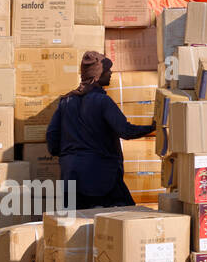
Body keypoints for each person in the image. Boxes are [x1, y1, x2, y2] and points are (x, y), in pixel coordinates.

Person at [45, 51, 156, 209]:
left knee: (77, 224)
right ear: (97, 75)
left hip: (70, 176)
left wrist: (69, 156)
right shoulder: (102, 101)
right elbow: (125, 131)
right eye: (107, 70)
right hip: (101, 176)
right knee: (126, 214)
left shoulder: (66, 101)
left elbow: (52, 137)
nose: (110, 73)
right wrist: (153, 127)